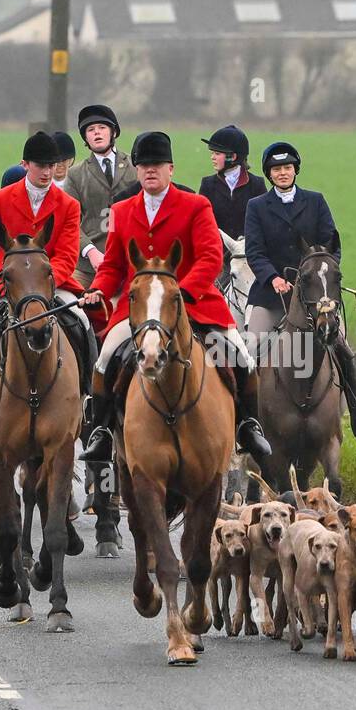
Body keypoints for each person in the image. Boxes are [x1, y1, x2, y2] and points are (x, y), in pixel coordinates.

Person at [78, 131, 270, 462]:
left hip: (195, 302)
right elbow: (112, 266)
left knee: (242, 356)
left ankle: (249, 426)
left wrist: (181, 293)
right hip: (139, 309)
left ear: (171, 169)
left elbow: (211, 258)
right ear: (137, 171)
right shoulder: (122, 211)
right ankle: (102, 430)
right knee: (106, 357)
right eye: (144, 165)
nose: (150, 171)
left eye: (157, 165)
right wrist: (98, 290)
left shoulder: (196, 205)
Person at [0, 131, 88, 433]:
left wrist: (47, 283)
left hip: (49, 284)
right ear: (25, 165)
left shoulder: (68, 205)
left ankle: (88, 400)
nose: (47, 172)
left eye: (51, 166)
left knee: (82, 321)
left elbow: (66, 254)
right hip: (5, 284)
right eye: (40, 166)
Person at [244, 140, 356, 441]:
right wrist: (272, 278)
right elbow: (254, 251)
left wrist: (324, 278)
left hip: (317, 298)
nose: (282, 173)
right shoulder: (257, 207)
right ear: (269, 173)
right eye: (277, 169)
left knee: (342, 347)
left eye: (287, 168)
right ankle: (248, 422)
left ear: (295, 171)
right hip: (273, 295)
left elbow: (331, 245)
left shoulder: (316, 201)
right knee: (250, 347)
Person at [64, 104, 136, 291]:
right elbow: (69, 222)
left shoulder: (136, 167)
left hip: (133, 262)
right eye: (90, 129)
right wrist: (91, 251)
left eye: (102, 128)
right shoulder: (75, 174)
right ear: (85, 138)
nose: (97, 133)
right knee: (64, 303)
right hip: (88, 267)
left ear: (113, 132)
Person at [198, 124, 264, 284]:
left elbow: (263, 224)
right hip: (218, 259)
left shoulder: (257, 185)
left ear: (232, 157)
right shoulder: (207, 185)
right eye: (212, 153)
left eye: (217, 153)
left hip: (248, 258)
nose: (212, 157)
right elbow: (203, 225)